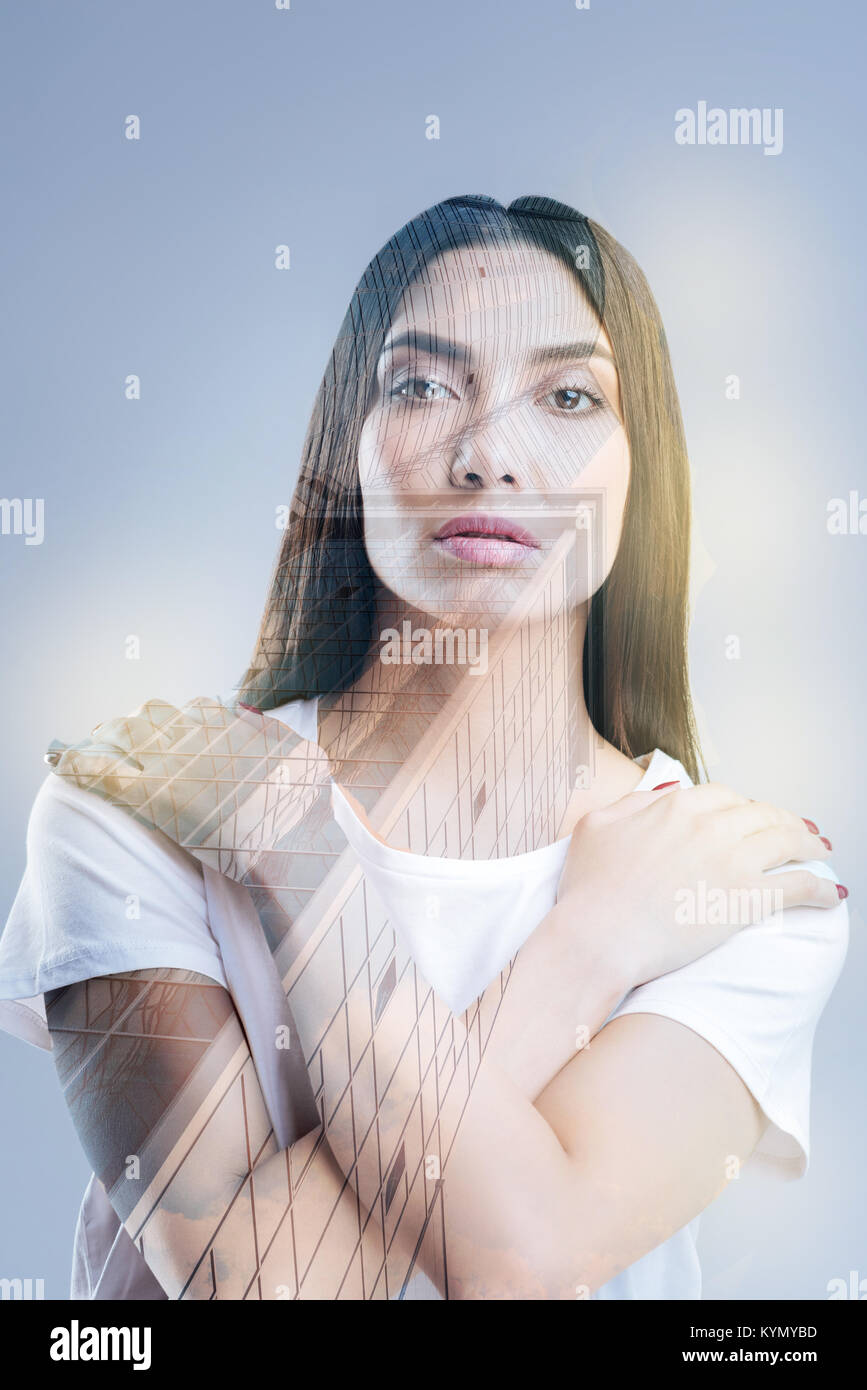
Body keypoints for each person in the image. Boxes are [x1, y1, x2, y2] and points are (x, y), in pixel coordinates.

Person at [0, 195, 849, 1300]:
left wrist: (306, 863)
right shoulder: (136, 812)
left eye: (568, 395)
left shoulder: (742, 882)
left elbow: (528, 1263)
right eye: (422, 384)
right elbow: (244, 1294)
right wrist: (586, 949)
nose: (489, 452)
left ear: (644, 476)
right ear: (347, 447)